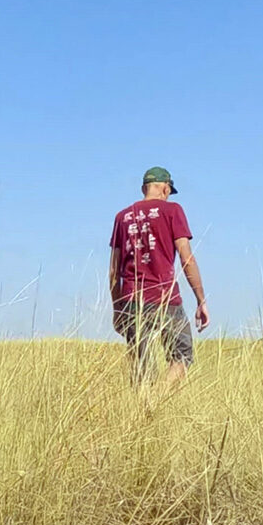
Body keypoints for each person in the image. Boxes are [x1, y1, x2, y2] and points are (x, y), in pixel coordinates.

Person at [108, 166, 209, 398]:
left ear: (144, 188)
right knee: (182, 356)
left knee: (140, 366)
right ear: (165, 188)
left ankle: (142, 410)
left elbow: (114, 271)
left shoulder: (122, 217)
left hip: (132, 301)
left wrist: (117, 308)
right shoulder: (172, 211)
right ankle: (156, 398)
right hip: (165, 299)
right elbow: (186, 257)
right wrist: (201, 300)